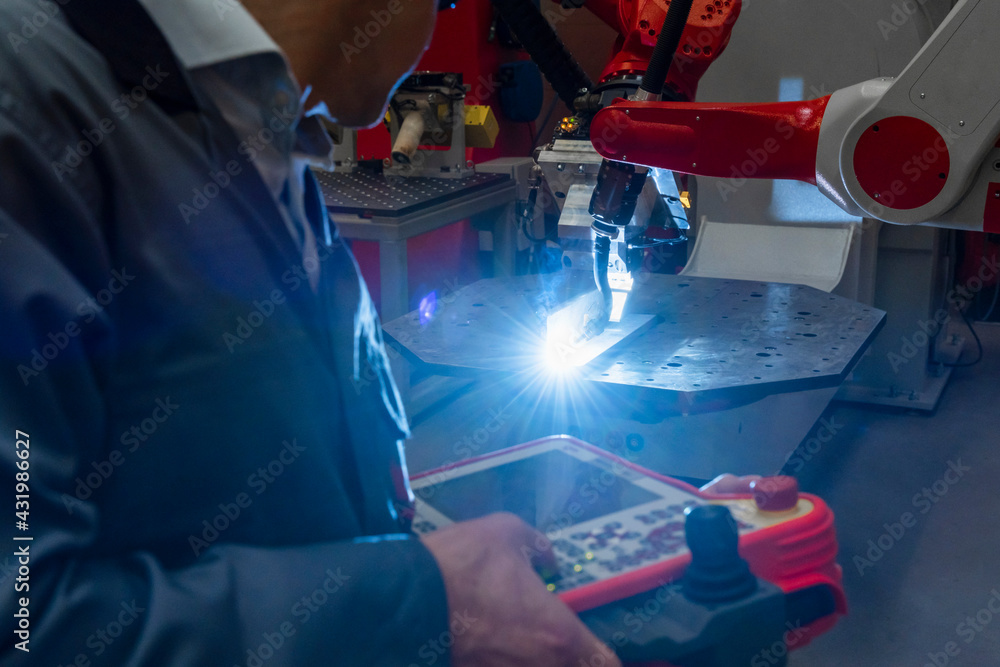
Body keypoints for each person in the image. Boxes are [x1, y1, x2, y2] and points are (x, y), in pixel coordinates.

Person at [0, 0, 622, 665]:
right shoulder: (26, 109)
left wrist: (417, 580)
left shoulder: (258, 129)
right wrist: (420, 601)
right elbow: (27, 626)